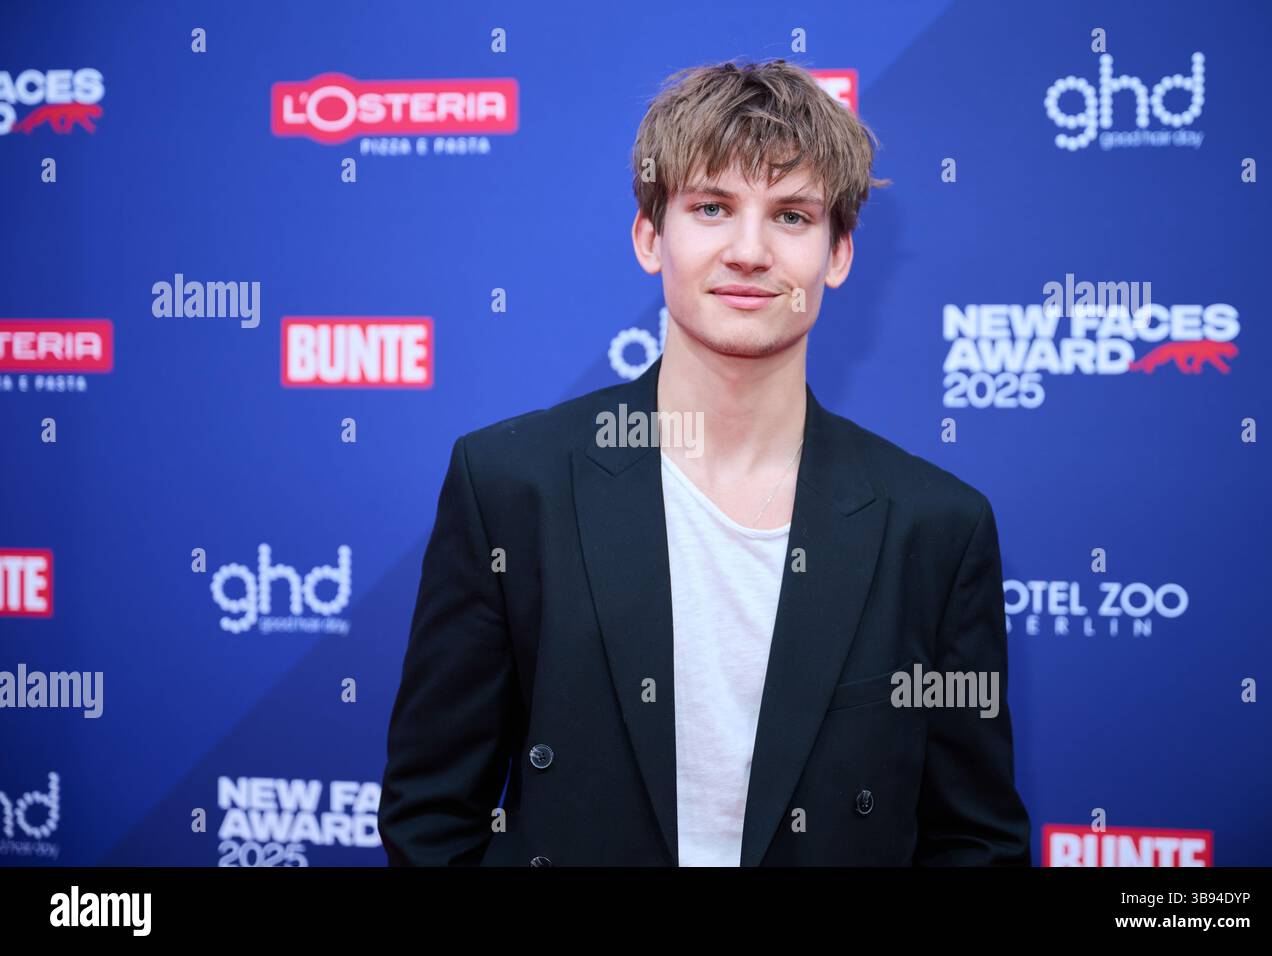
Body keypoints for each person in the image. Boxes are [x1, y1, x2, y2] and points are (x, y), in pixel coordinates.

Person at [379, 58, 1031, 866]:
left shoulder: (936, 527)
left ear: (838, 256)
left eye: (792, 216)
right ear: (651, 238)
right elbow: (432, 817)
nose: (749, 251)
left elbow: (973, 842)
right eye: (713, 207)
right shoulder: (511, 486)